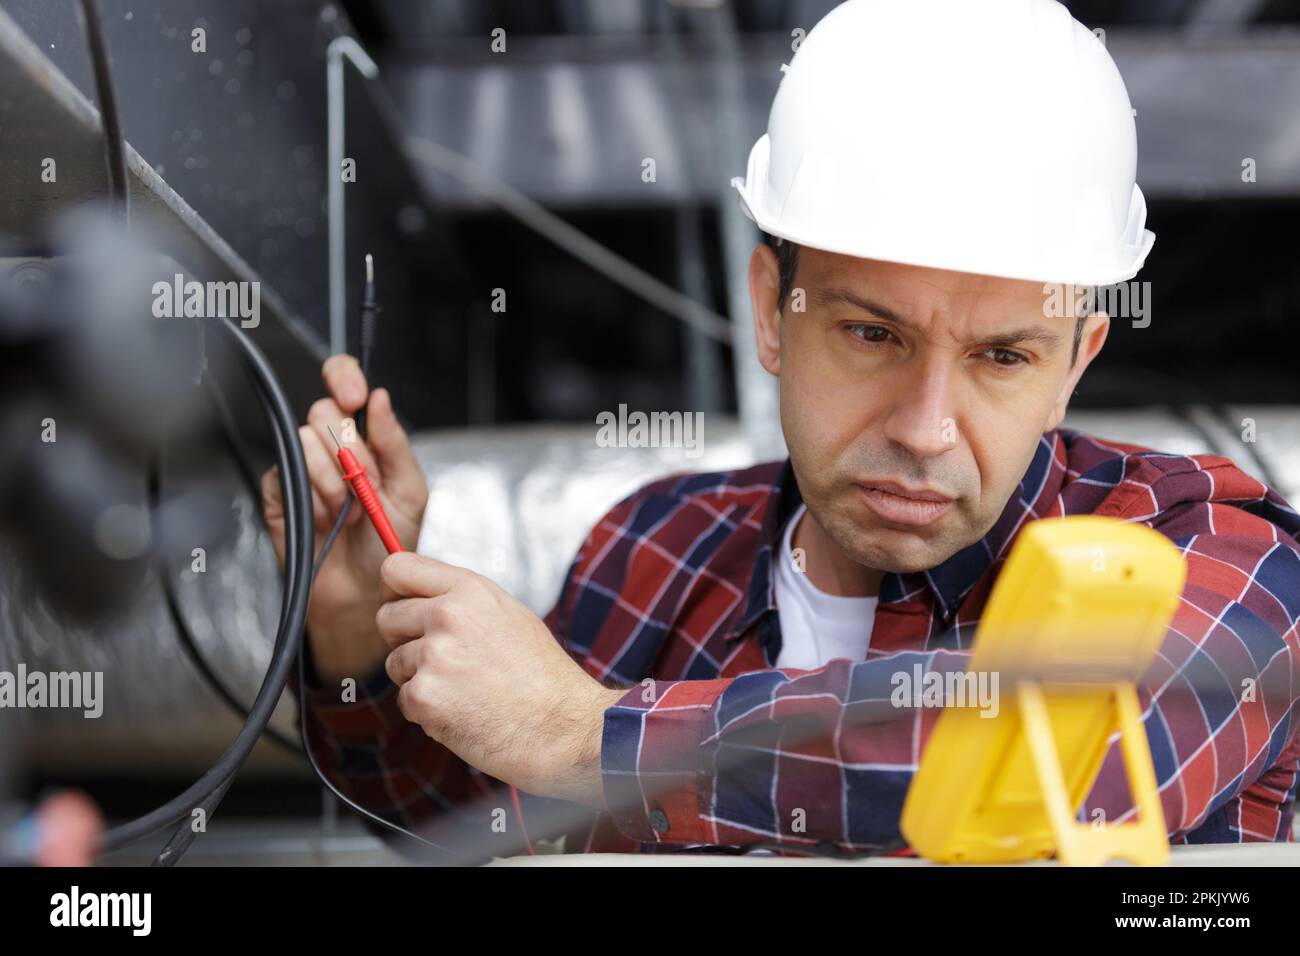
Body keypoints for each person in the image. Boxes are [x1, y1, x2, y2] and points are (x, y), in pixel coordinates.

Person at [262, 0, 1300, 854]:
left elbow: (1066, 760)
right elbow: (478, 822)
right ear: (771, 309)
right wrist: (352, 628)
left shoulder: (1209, 550)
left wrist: (590, 734)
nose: (927, 426)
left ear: (1075, 360)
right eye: (871, 333)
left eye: (1002, 356)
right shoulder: (654, 550)